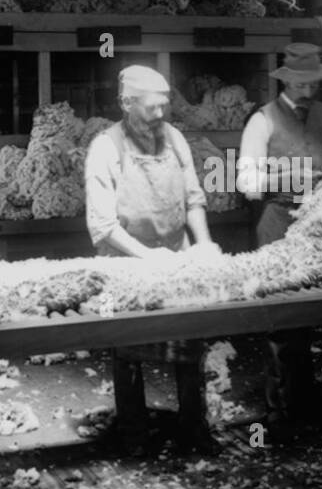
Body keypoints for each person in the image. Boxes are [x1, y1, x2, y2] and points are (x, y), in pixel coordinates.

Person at [84, 65, 221, 455]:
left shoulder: (175, 139)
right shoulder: (105, 148)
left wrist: (204, 243)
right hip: (125, 262)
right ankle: (134, 434)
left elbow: (193, 198)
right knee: (128, 347)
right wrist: (147, 257)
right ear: (127, 104)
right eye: (151, 107)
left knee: (189, 343)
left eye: (164, 105)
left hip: (174, 259)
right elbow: (103, 224)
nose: (161, 113)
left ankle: (194, 428)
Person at [237, 43, 322, 442]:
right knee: (285, 324)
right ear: (287, 80)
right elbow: (247, 183)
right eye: (302, 84)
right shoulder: (263, 121)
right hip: (279, 225)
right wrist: (291, 177)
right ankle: (285, 414)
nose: (309, 91)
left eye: (313, 84)